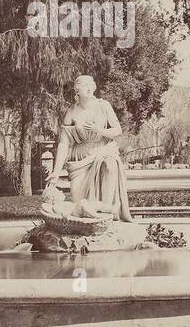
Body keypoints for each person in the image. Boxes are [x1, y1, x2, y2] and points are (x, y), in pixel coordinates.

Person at [45, 75, 132, 222]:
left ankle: (107, 215)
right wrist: (56, 171)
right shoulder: (72, 112)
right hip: (80, 157)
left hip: (102, 149)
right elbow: (64, 143)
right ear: (77, 90)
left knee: (109, 165)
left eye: (91, 85)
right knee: (79, 205)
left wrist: (100, 130)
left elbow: (118, 130)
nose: (89, 88)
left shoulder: (103, 106)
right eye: (85, 85)